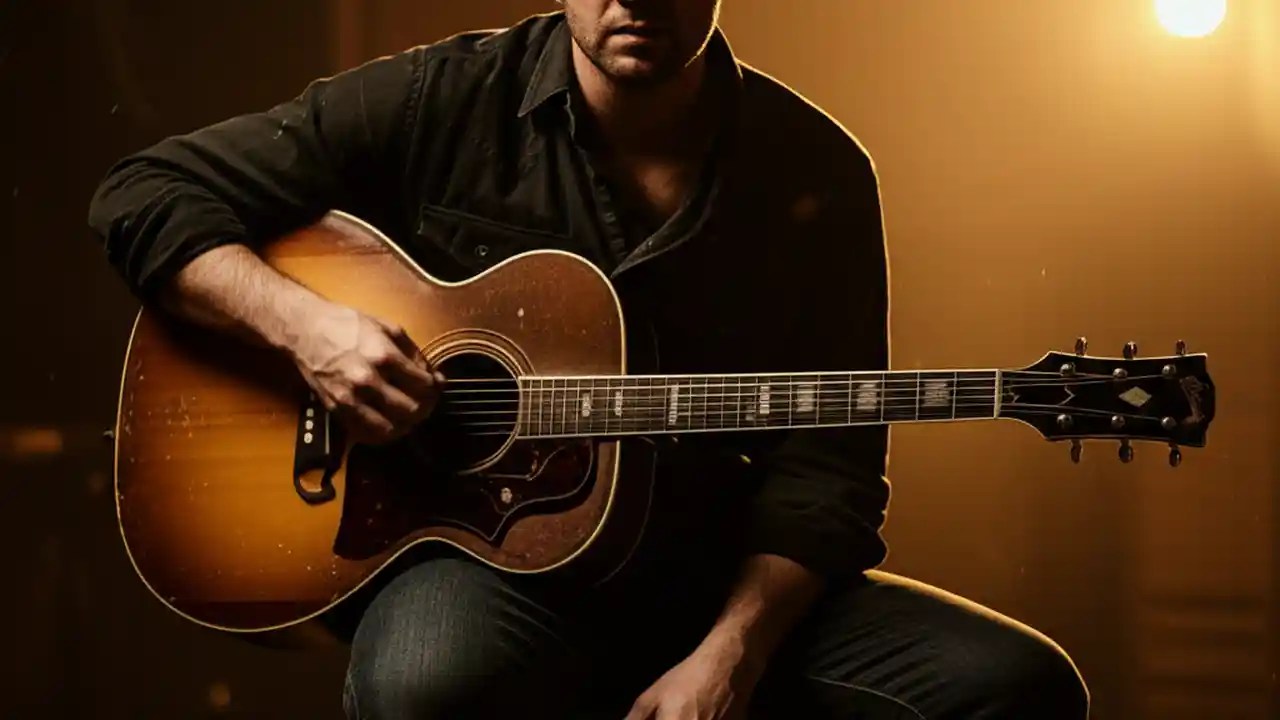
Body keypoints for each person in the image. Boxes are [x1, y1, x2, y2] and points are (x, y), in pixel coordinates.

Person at [87, 2, 1090, 718]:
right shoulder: (442, 97)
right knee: (426, 683)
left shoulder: (815, 170)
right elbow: (145, 193)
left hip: (705, 579)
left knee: (1015, 686)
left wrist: (728, 659)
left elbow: (825, 475)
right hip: (484, 569)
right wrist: (308, 330)